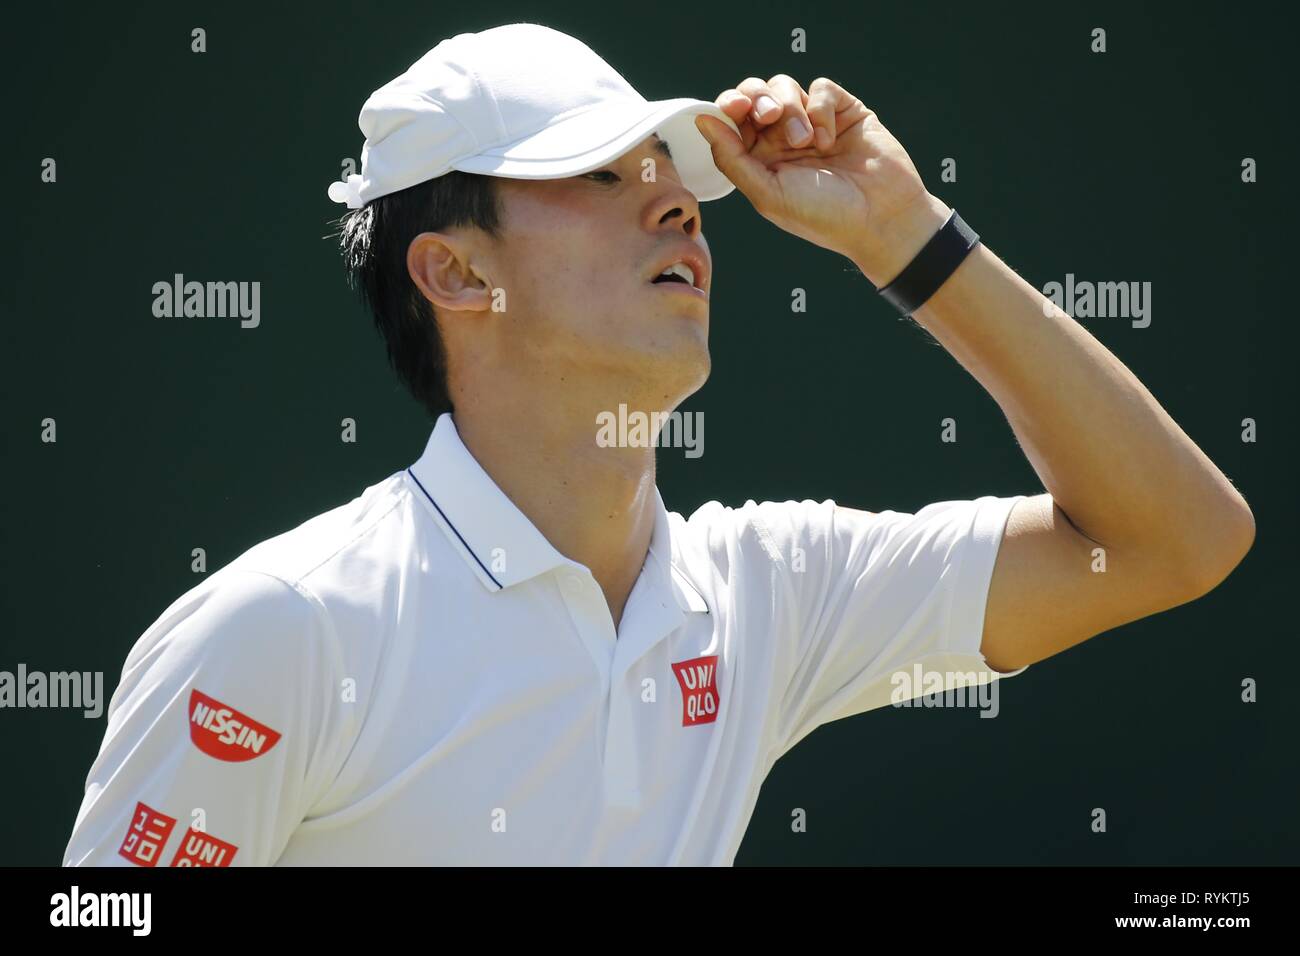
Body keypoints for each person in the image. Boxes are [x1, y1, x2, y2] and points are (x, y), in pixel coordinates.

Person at [63, 22, 1252, 866]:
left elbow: (1175, 540)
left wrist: (905, 235)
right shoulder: (285, 627)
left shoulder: (765, 593)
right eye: (596, 171)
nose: (675, 200)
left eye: (669, 171)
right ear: (455, 270)